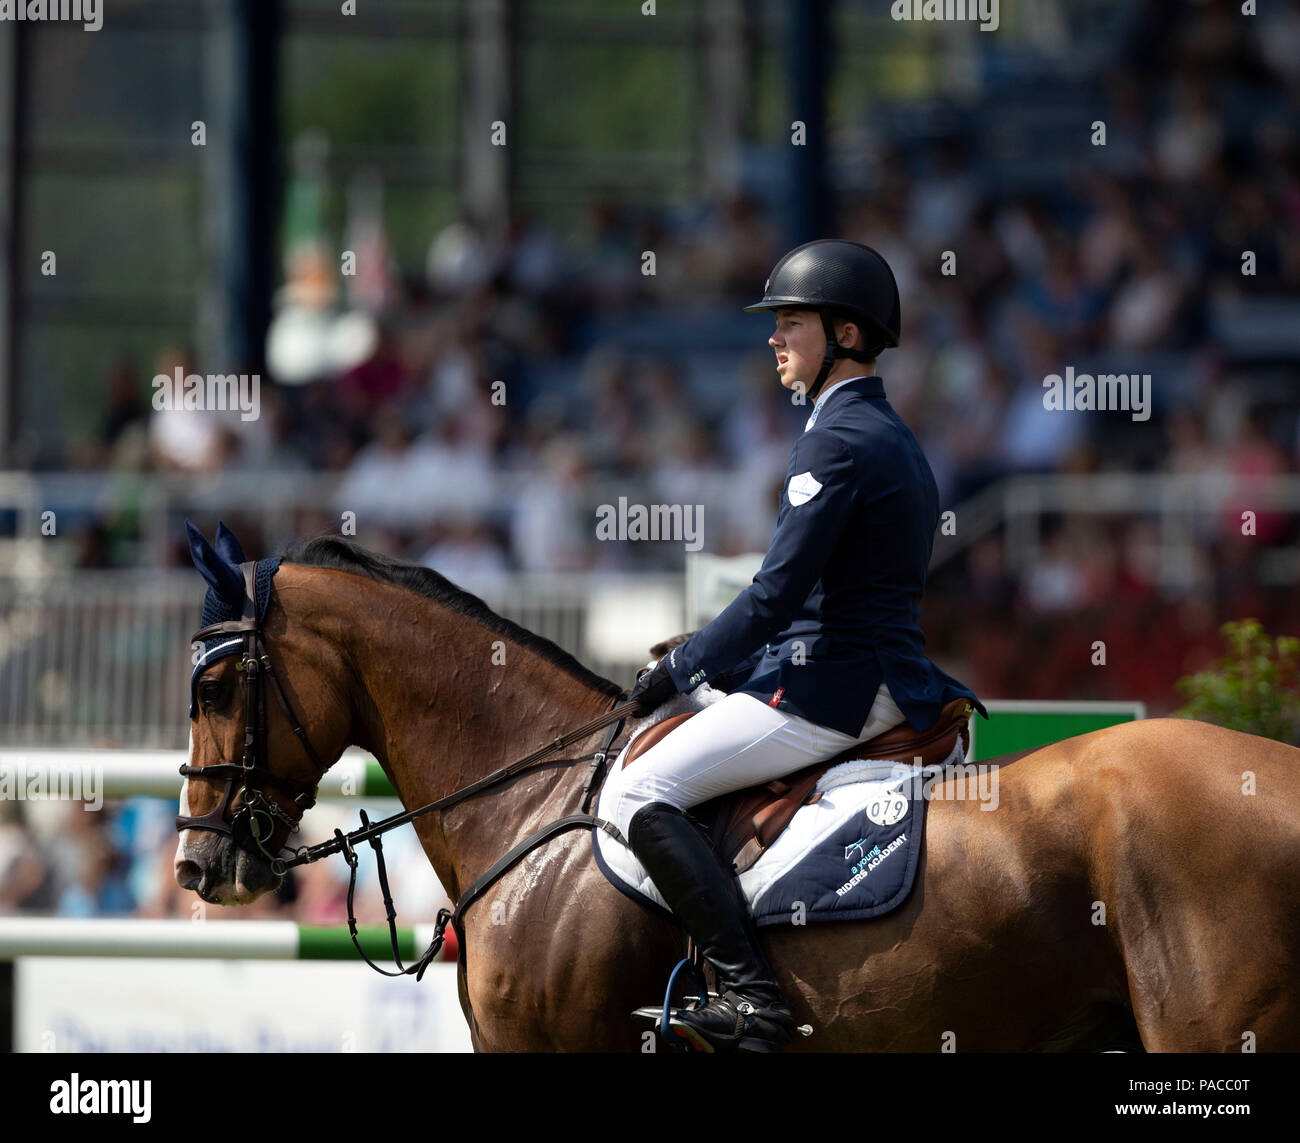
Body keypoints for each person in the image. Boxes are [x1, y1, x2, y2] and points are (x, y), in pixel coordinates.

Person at [621, 239, 988, 1052]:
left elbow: (773, 595)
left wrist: (677, 669)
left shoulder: (836, 439)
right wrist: (719, 658)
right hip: (865, 667)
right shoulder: (883, 429)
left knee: (642, 790)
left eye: (792, 322)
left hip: (837, 688)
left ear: (845, 335)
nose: (774, 337)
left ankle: (752, 999)